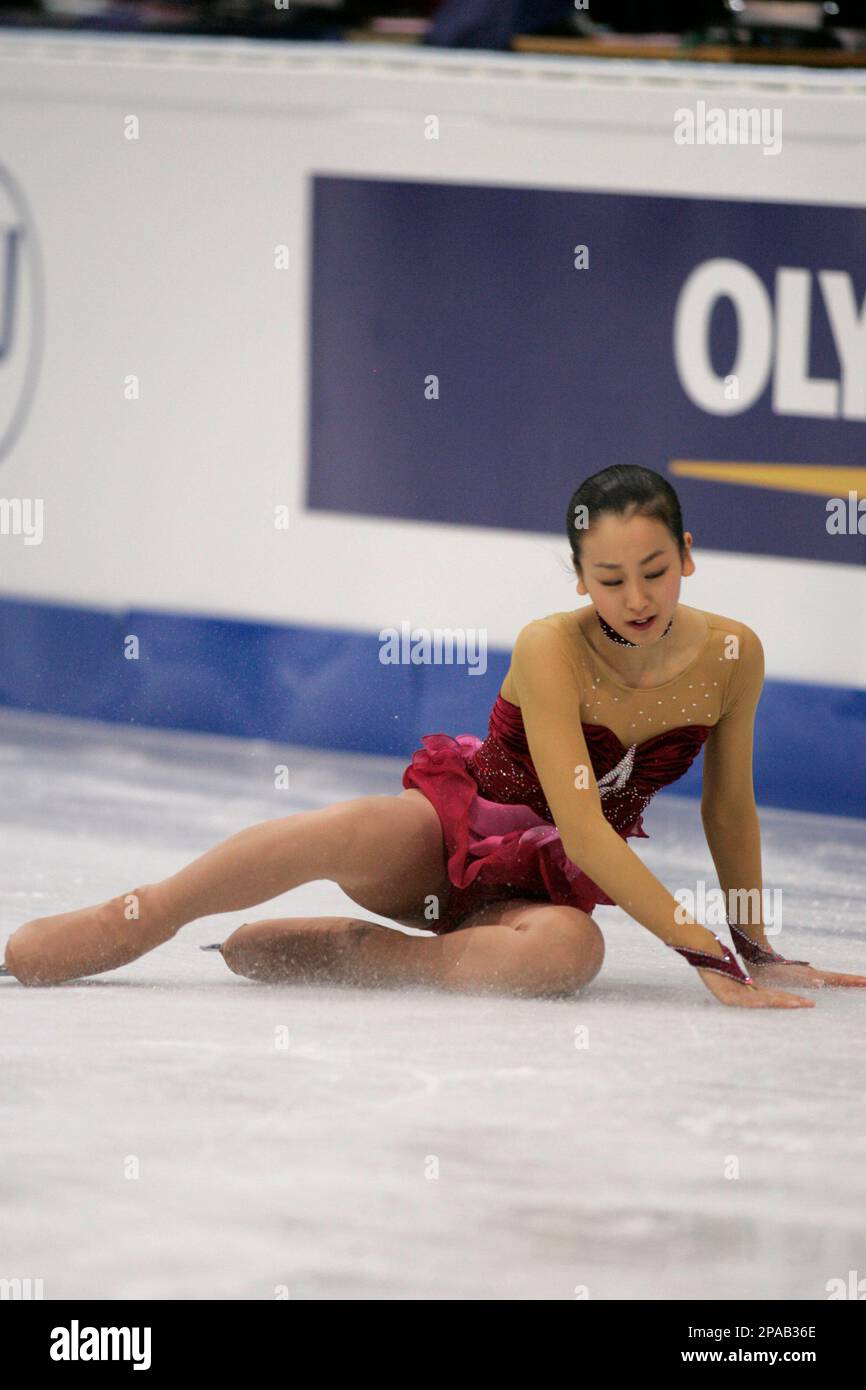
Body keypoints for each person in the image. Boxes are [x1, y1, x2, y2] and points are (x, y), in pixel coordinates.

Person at [5, 466, 864, 1006]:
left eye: (655, 571)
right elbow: (586, 823)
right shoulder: (548, 647)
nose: (637, 597)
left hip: (537, 891)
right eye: (610, 579)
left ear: (687, 554)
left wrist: (754, 946)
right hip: (449, 837)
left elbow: (732, 810)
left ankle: (365, 955)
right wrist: (706, 955)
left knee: (572, 952)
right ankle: (148, 912)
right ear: (579, 580)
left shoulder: (731, 653)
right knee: (344, 828)